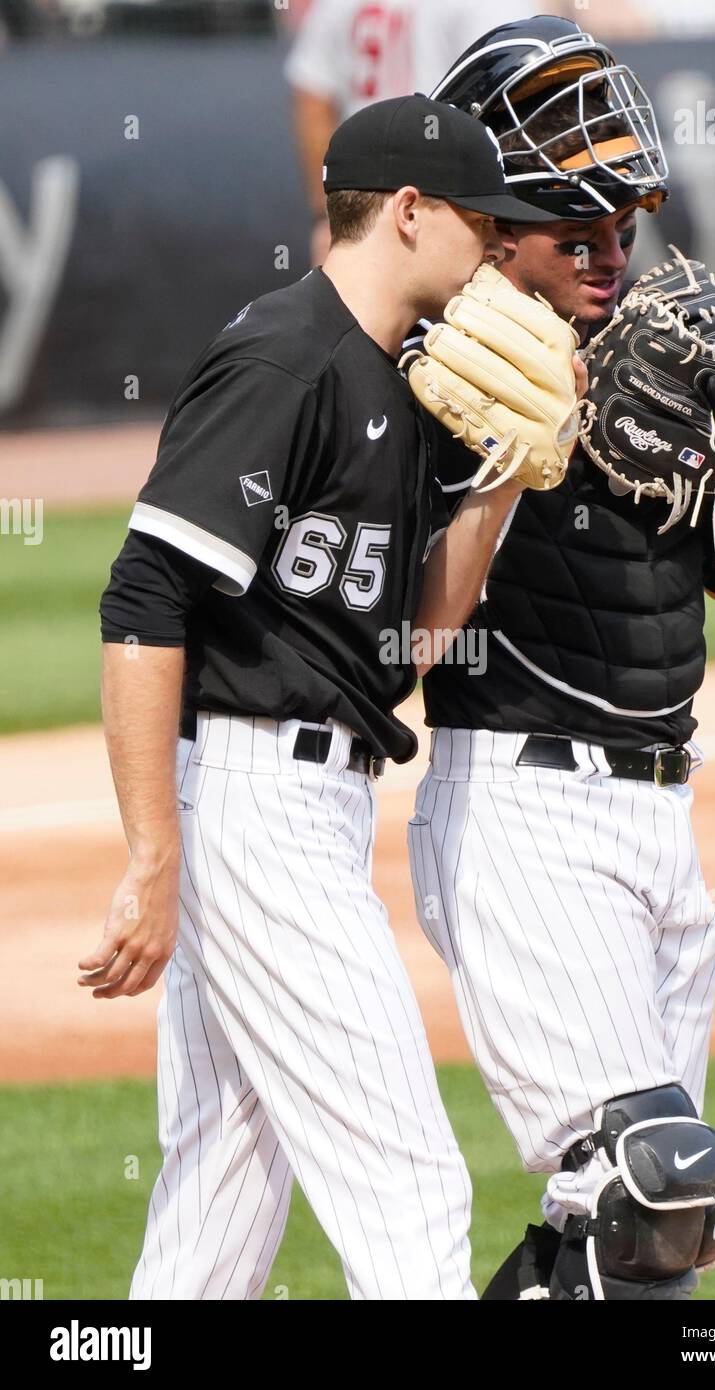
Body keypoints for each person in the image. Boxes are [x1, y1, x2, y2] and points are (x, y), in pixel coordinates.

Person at [81, 93, 567, 1301]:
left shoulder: (407, 385)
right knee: (406, 1181)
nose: (498, 248)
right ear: (406, 212)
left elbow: (404, 643)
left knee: (221, 1195)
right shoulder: (283, 355)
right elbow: (144, 599)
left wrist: (494, 490)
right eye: (477, 220)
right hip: (253, 802)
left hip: (307, 803)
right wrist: (153, 853)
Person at [407, 16, 715, 1300]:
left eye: (620, 230)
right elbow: (411, 631)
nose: (609, 256)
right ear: (493, 226)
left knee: (638, 1243)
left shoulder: (654, 345)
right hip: (523, 806)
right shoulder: (438, 372)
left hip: (659, 824)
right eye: (576, 236)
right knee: (661, 1176)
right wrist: (513, 453)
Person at [284, 0, 554, 265]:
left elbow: (312, 99)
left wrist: (328, 214)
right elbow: (517, 90)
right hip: (451, 199)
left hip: (363, 195)